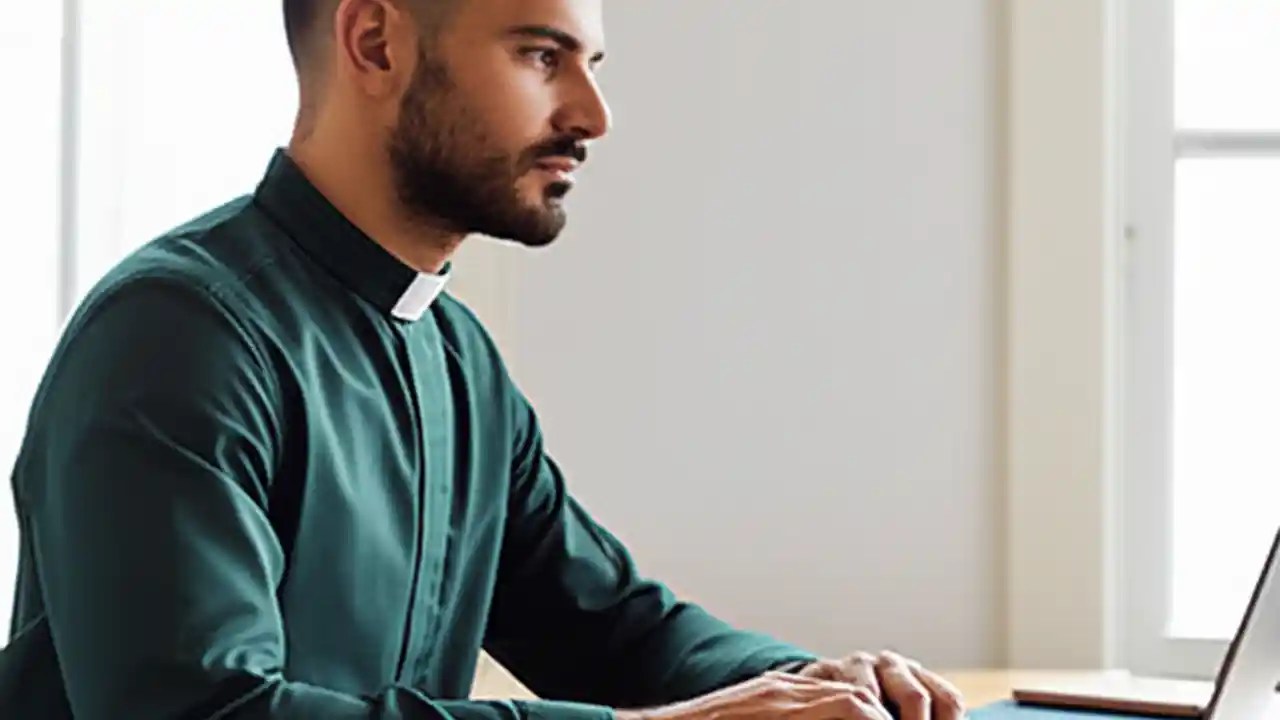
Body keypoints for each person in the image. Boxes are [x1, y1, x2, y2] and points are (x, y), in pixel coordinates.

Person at [0, 1, 968, 719]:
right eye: (539, 55)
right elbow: (199, 713)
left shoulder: (455, 354)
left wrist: (820, 684)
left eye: (589, 62)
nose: (593, 114)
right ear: (375, 42)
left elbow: (604, 626)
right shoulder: (176, 332)